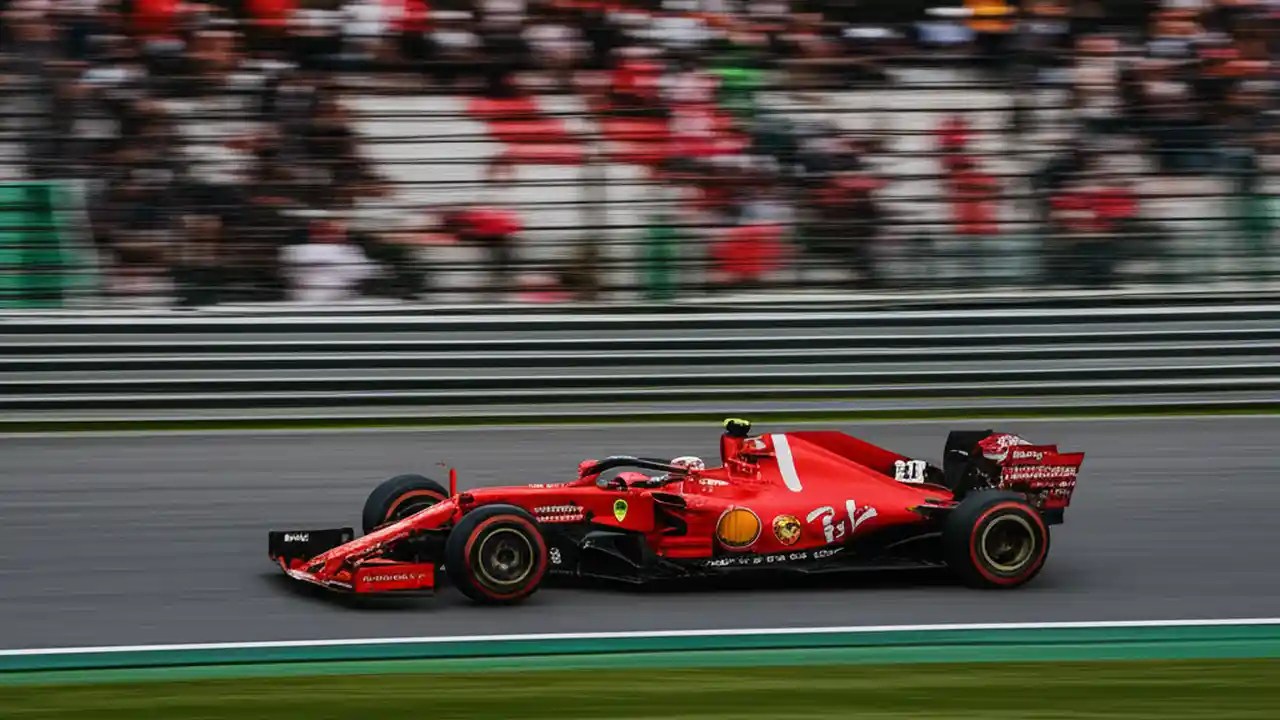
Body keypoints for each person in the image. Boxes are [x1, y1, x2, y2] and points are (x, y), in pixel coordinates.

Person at [279, 218, 377, 302]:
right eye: (324, 232)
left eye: (340, 233)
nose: (341, 236)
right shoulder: (298, 252)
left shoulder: (349, 251)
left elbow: (365, 272)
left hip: (340, 302)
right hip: (307, 303)